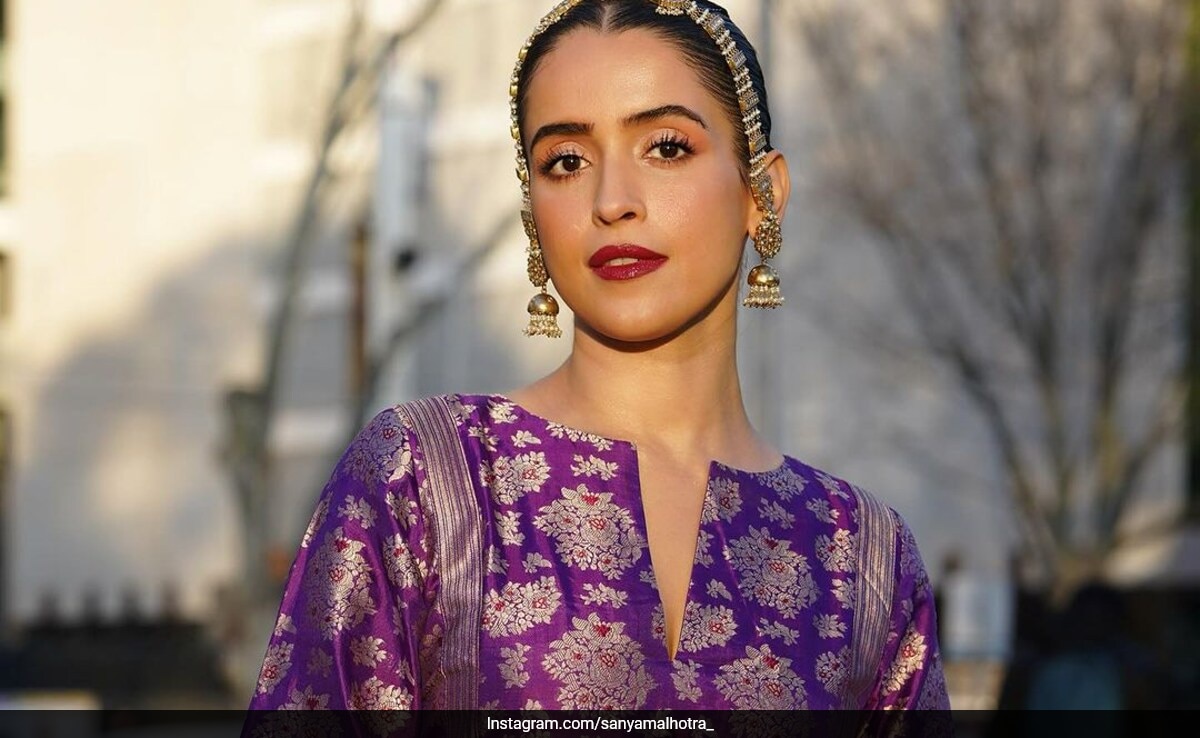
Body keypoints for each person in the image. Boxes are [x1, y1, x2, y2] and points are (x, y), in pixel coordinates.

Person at [246, 0, 949, 712]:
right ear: (533, 215)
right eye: (567, 161)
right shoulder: (424, 481)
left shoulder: (860, 558)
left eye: (666, 147)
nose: (612, 200)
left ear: (761, 195)